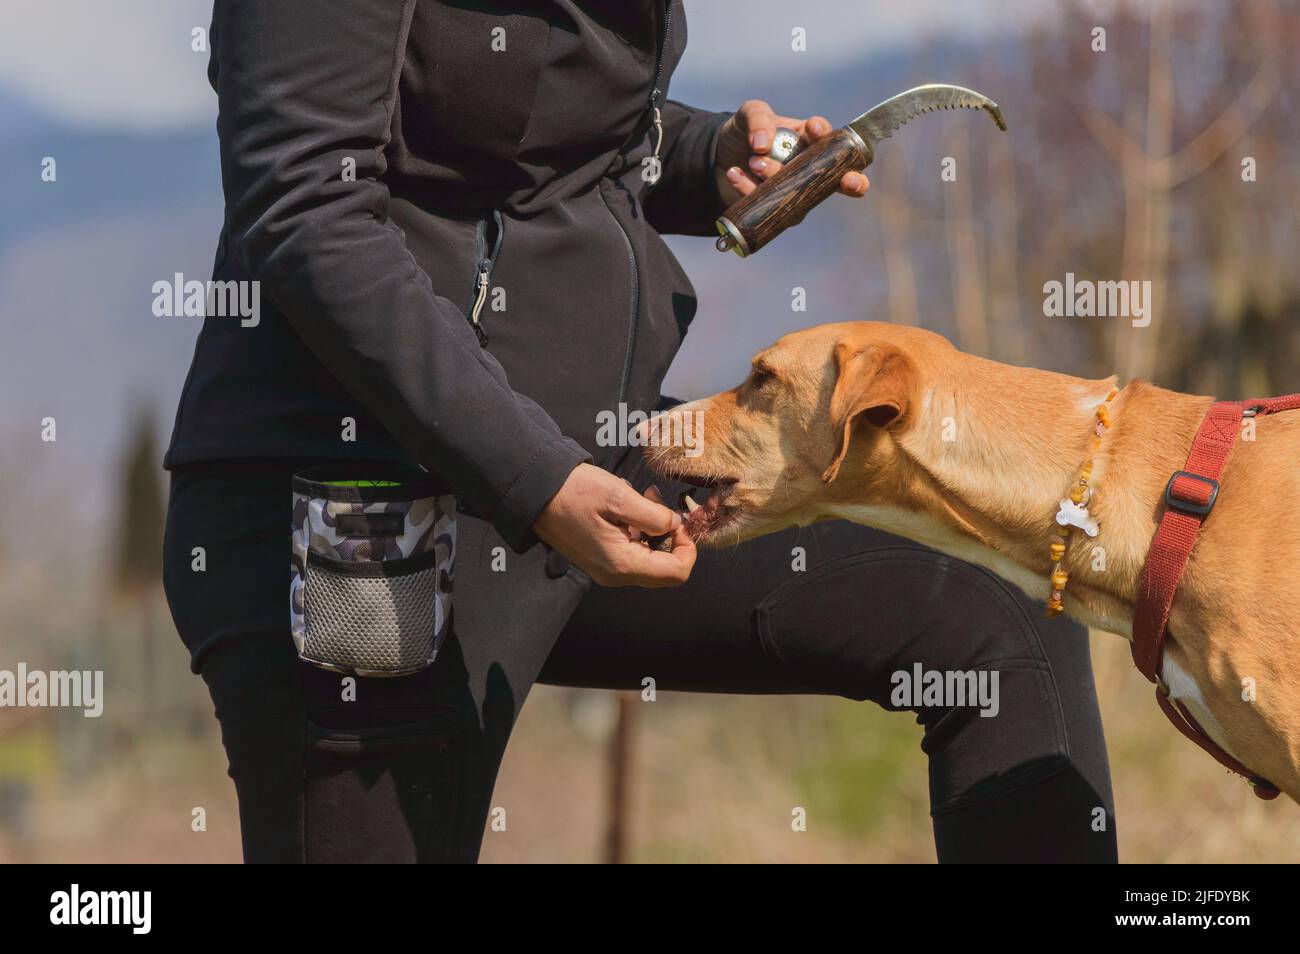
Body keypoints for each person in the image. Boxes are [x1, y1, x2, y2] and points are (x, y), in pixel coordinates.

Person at [162, 0, 1116, 862]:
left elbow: (557, 140)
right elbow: (305, 208)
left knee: (994, 605)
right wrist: (536, 481)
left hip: (585, 462)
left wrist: (709, 161)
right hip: (362, 505)